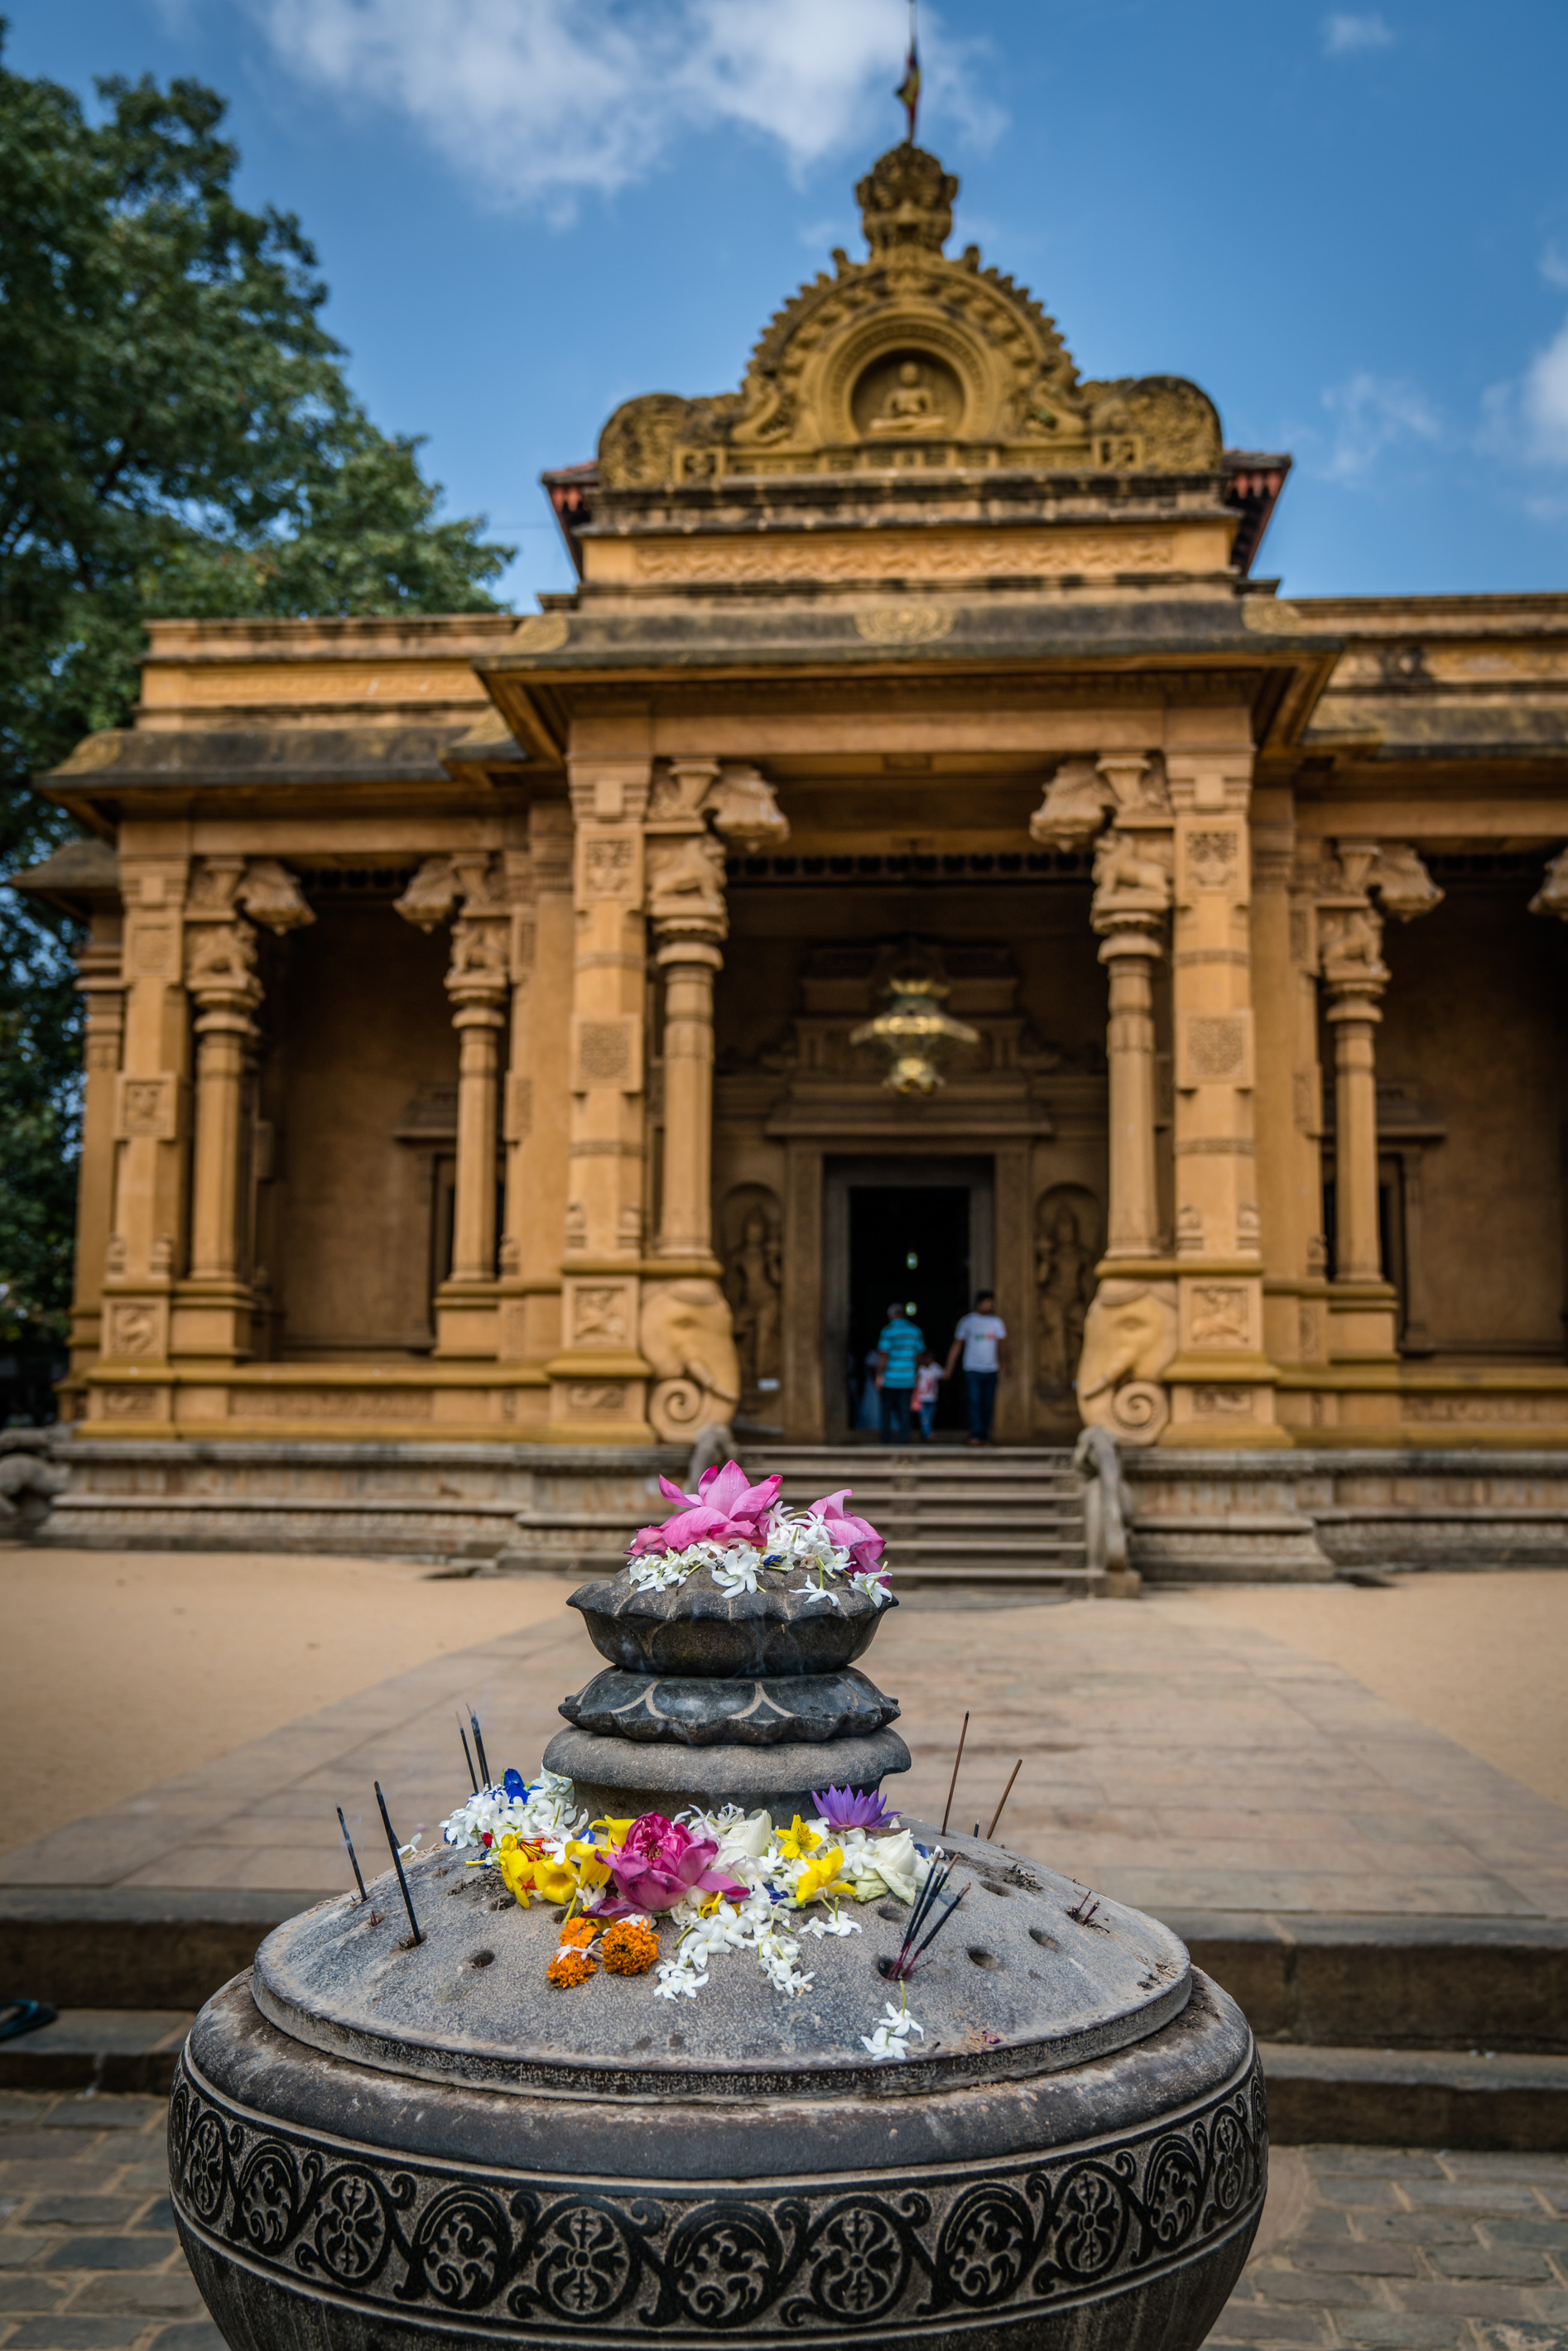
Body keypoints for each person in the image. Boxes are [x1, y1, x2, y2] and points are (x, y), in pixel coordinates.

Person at [945, 1289, 1009, 1445]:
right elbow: (957, 1345)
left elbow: (1003, 1346)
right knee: (974, 1402)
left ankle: (984, 1436)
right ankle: (975, 1434)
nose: (991, 1306)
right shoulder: (967, 1322)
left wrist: (1005, 1364)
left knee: (987, 1404)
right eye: (988, 1303)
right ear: (979, 1304)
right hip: (972, 1368)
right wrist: (949, 1367)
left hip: (991, 1368)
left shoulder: (997, 1323)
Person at [873, 1301, 925, 1445]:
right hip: (908, 1377)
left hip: (890, 1377)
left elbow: (883, 1355)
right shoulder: (915, 1331)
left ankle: (886, 1438)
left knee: (886, 1411)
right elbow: (919, 1356)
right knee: (904, 1411)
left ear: (891, 1315)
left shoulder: (888, 1331)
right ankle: (904, 1439)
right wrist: (917, 1373)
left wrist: (879, 1375)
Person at [911, 1350, 943, 1443]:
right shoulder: (920, 1369)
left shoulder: (935, 1368)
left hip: (932, 1398)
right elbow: (915, 1381)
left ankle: (924, 1435)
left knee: (930, 1418)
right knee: (924, 1418)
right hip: (922, 1398)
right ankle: (929, 1435)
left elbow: (945, 1375)